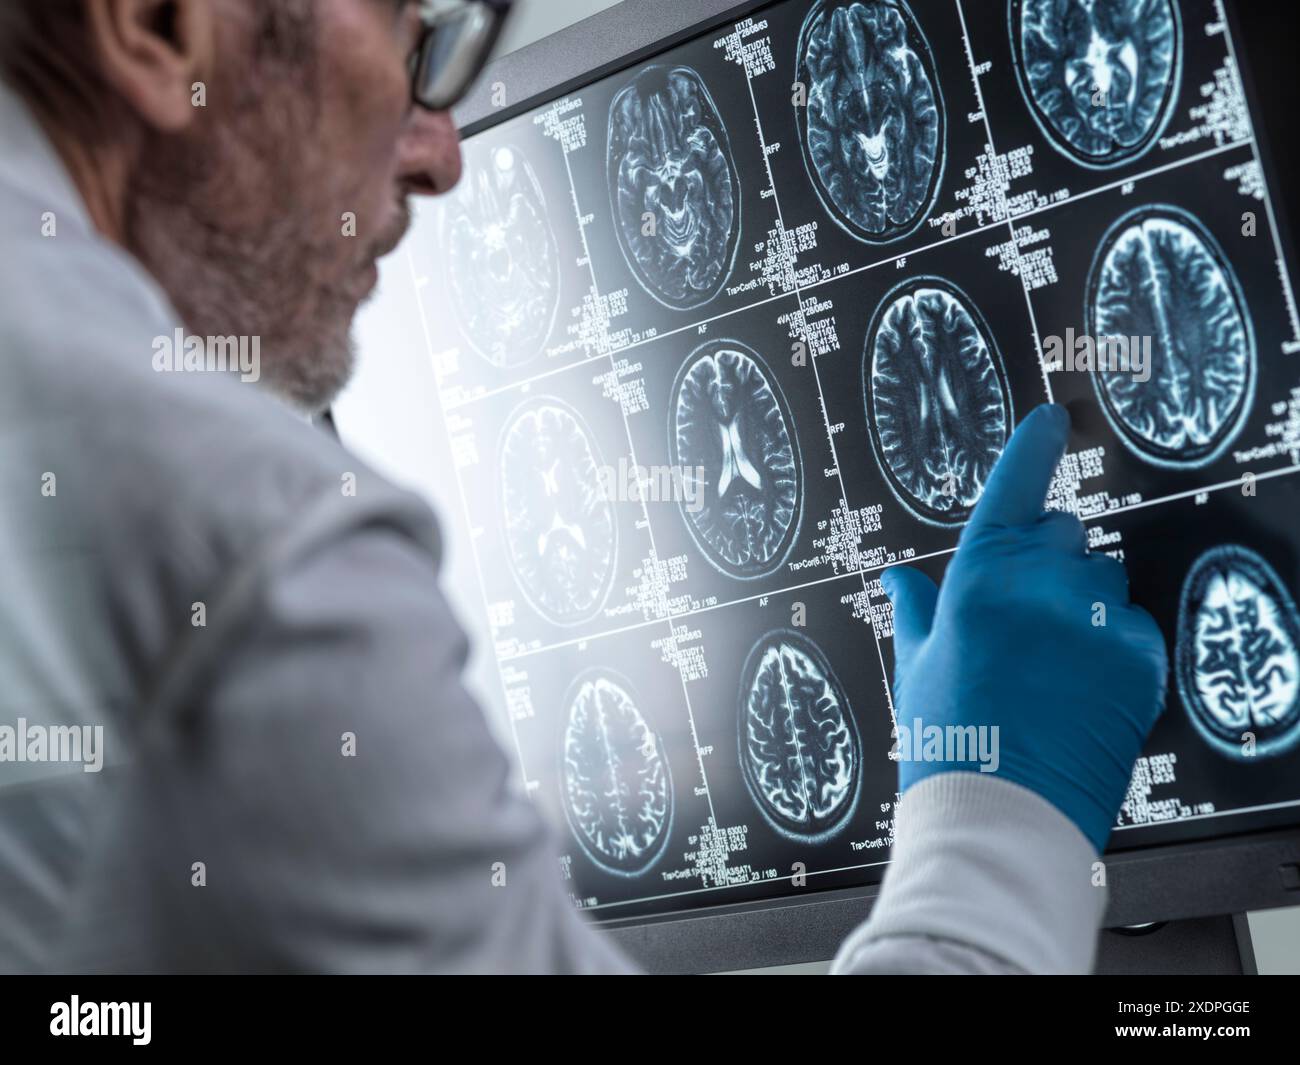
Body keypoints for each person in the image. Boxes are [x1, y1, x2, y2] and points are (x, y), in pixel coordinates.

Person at [0, 0, 1168, 975]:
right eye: (416, 48)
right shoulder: (240, 538)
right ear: (158, 29)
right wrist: (1001, 820)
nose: (441, 154)